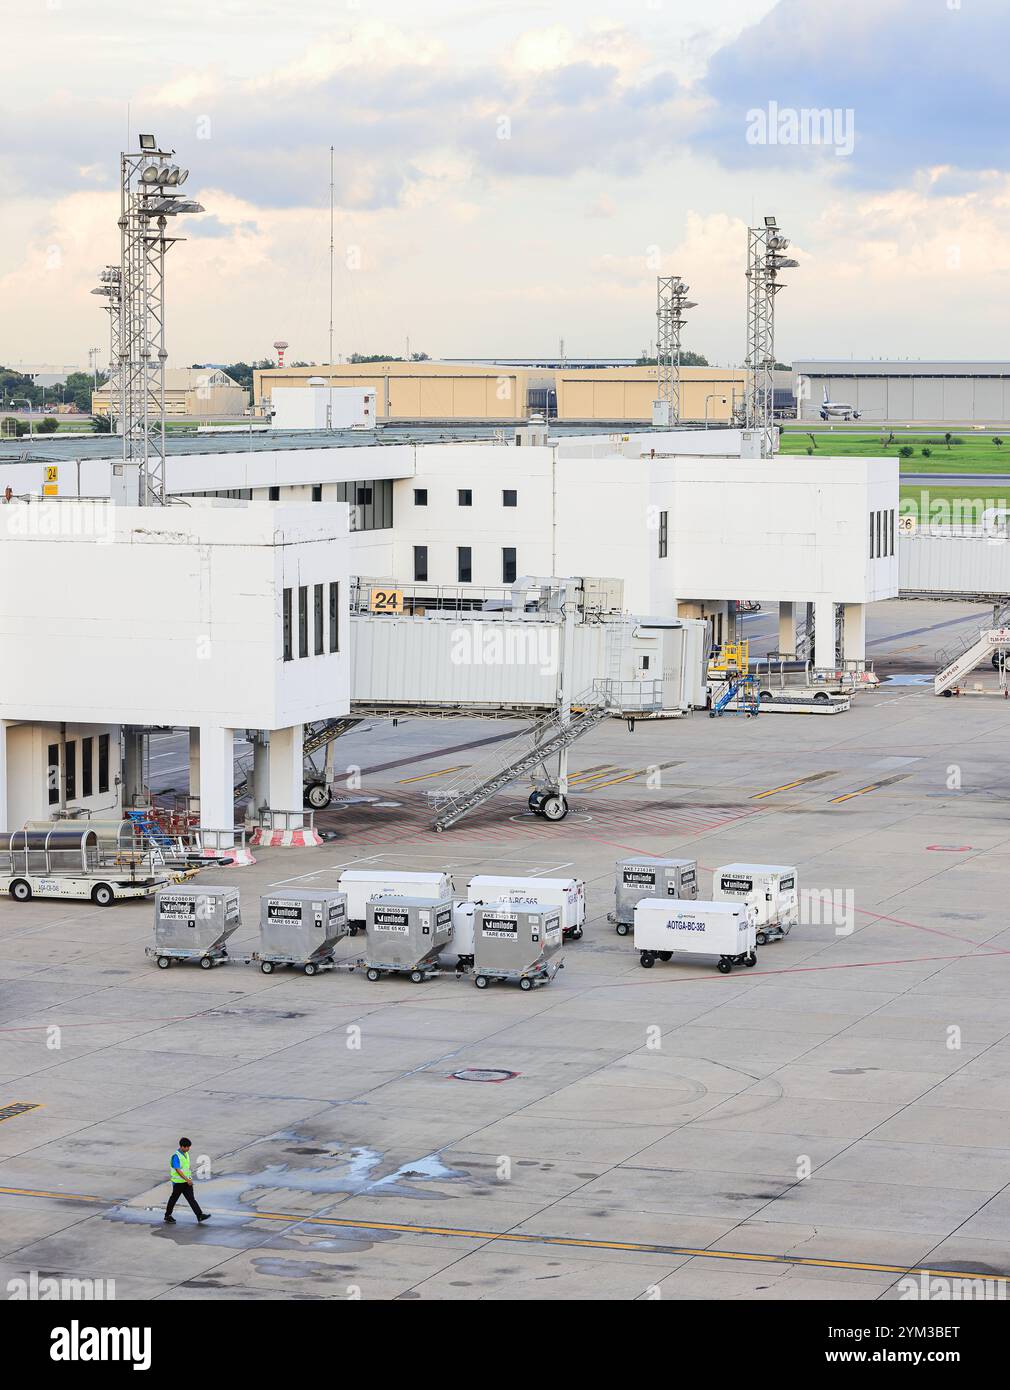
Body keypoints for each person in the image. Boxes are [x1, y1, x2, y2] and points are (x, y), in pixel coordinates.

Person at [164, 1137, 211, 1224]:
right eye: (187, 1147)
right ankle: (167, 1216)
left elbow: (185, 1168)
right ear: (182, 1146)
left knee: (191, 1199)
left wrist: (189, 1178)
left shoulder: (186, 1154)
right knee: (173, 1199)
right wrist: (187, 1179)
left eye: (189, 1147)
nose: (188, 1149)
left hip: (186, 1182)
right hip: (178, 1183)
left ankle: (199, 1215)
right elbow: (178, 1170)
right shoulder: (176, 1156)